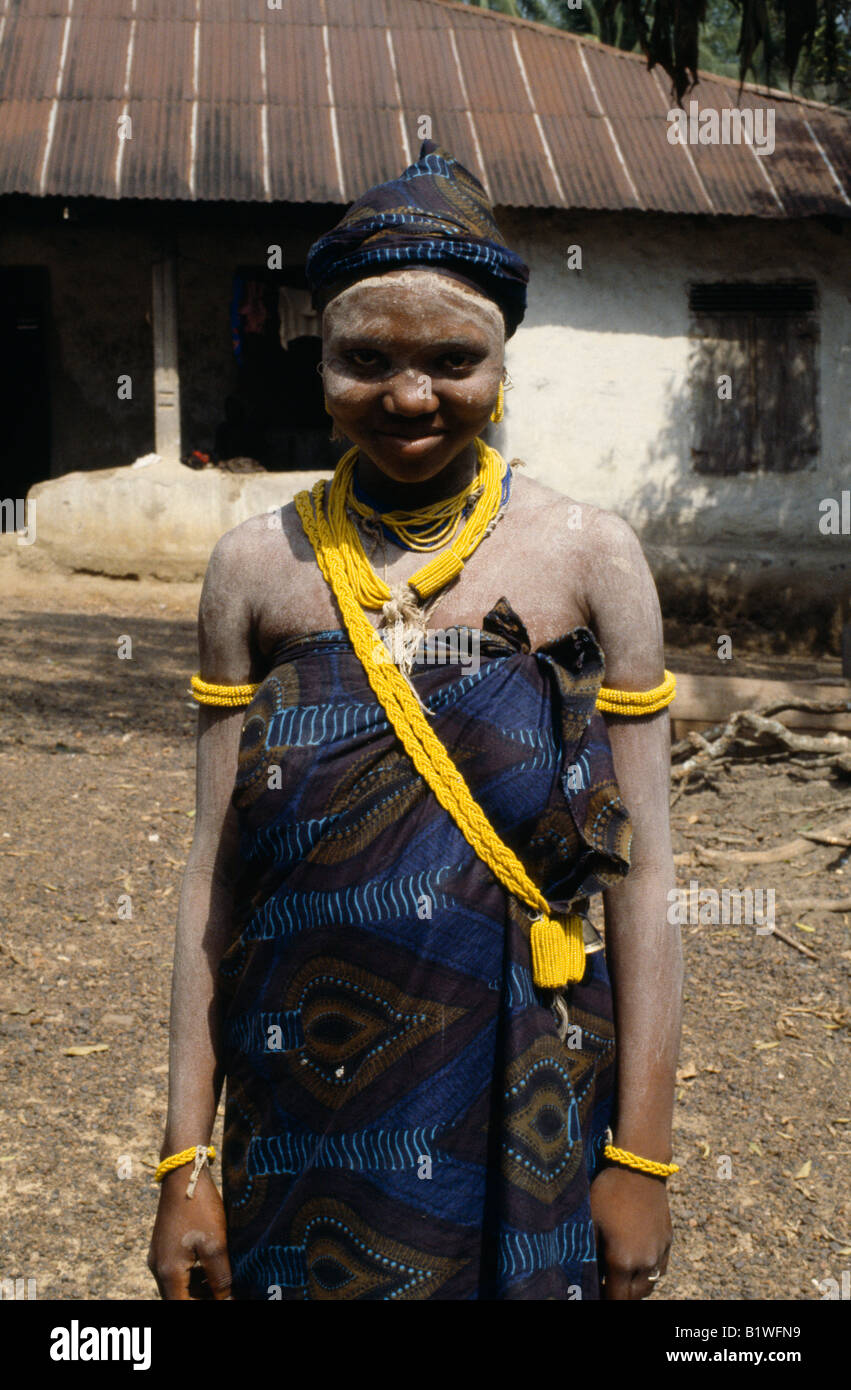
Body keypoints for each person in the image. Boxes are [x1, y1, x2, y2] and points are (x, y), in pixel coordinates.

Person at [148, 141, 682, 1301]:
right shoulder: (256, 570)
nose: (408, 394)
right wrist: (183, 1158)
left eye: (453, 359)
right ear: (319, 360)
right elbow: (211, 879)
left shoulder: (589, 561)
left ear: (503, 363)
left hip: (522, 1105)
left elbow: (643, 880)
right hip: (302, 1111)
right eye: (364, 360)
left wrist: (640, 1157)